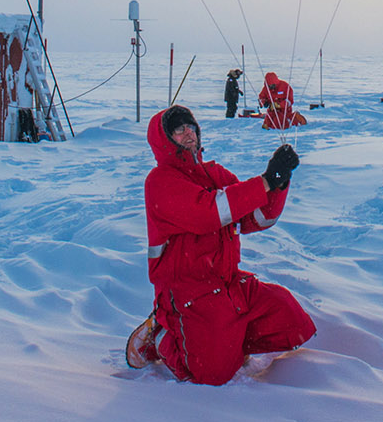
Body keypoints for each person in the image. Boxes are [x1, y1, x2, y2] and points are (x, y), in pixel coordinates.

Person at [126, 105, 313, 384]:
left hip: (228, 284)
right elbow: (208, 213)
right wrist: (264, 181)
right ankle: (163, 336)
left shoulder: (215, 174)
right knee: (211, 373)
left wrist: (278, 183)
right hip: (189, 294)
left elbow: (257, 219)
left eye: (191, 127)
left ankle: (227, 342)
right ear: (164, 140)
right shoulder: (161, 181)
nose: (188, 132)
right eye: (178, 129)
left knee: (294, 324)